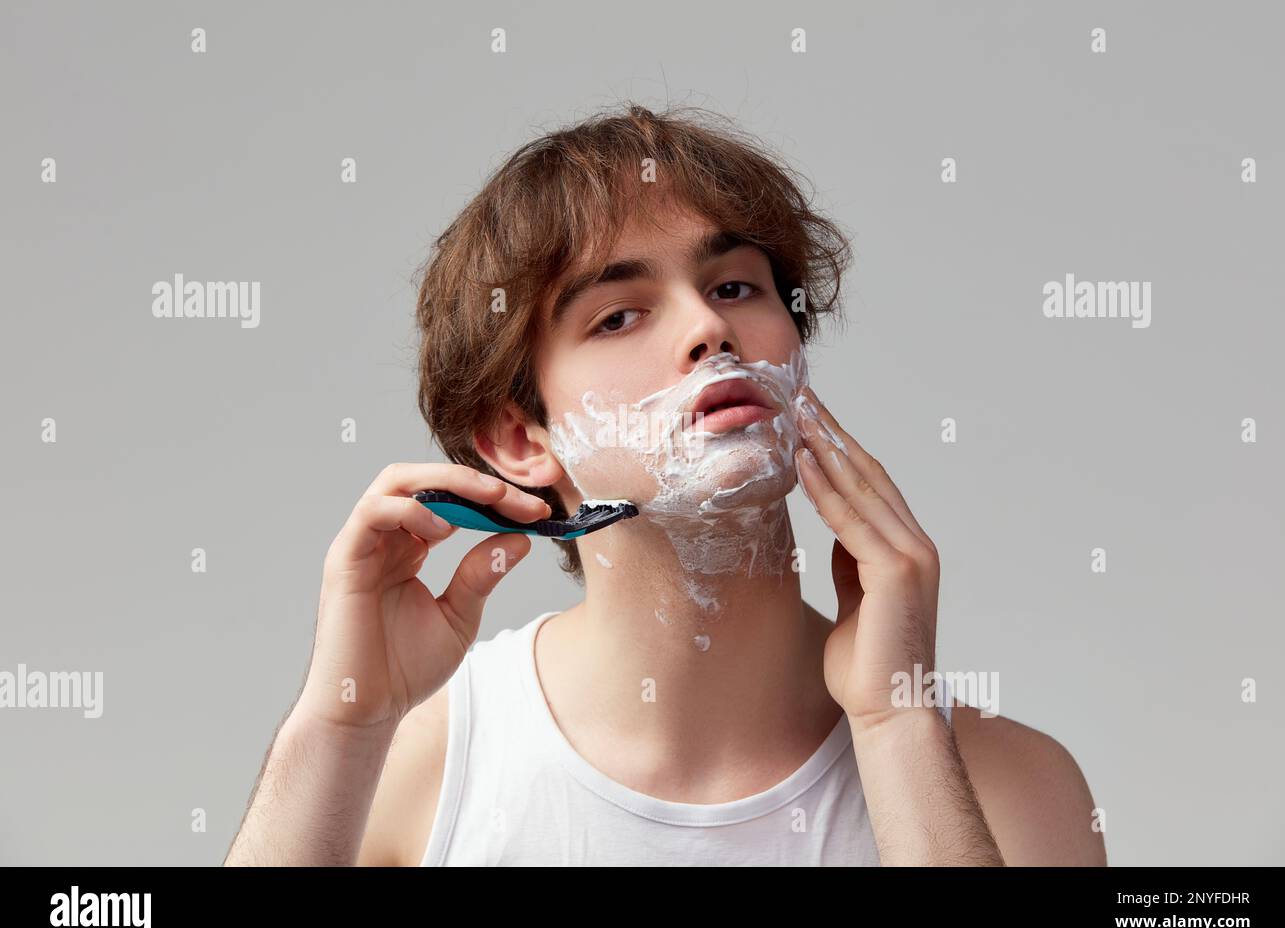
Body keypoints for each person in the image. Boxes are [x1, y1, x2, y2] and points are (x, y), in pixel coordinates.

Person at [225, 103, 1106, 866]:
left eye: (733, 285)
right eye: (619, 315)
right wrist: (340, 728)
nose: (708, 326)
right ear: (520, 439)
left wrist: (898, 728)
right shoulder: (416, 771)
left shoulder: (1008, 784)